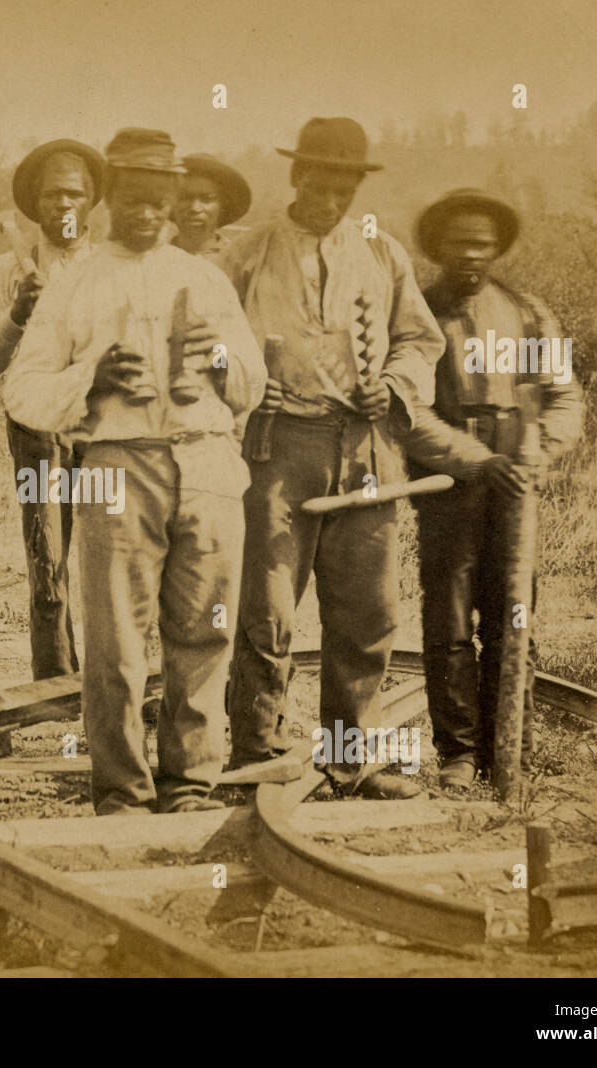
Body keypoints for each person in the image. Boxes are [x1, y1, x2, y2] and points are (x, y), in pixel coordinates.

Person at [4, 128, 265, 815]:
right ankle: (120, 790)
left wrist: (217, 361)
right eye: (133, 200)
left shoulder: (204, 277)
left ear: (174, 202)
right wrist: (90, 379)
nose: (146, 214)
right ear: (109, 198)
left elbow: (252, 387)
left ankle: (190, 784)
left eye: (159, 202)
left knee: (205, 630)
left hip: (208, 463)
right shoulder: (76, 280)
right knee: (117, 641)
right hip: (117, 466)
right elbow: (22, 390)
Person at [219, 117, 443, 799]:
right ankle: (256, 749)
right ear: (295, 176)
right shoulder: (248, 252)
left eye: (343, 186)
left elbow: (418, 341)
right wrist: (249, 377)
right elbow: (211, 341)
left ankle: (351, 762)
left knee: (366, 610)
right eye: (319, 182)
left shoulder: (383, 255)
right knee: (266, 605)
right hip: (277, 445)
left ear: (356, 187)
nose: (330, 197)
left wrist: (395, 388)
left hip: (367, 449)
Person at [413, 188, 584, 790]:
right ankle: (458, 754)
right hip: (449, 482)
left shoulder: (528, 313)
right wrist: (475, 459)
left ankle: (510, 746)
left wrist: (541, 455)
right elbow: (408, 410)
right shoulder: (419, 312)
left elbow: (562, 398)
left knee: (513, 613)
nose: (470, 255)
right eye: (459, 243)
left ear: (496, 251)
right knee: (450, 618)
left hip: (517, 486)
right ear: (438, 247)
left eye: (481, 245)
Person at [0, 138, 105, 681]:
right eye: (53, 196)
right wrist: (18, 314)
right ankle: (53, 688)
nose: (64, 205)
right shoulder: (7, 271)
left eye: (75, 194)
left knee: (112, 563)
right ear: (36, 203)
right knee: (48, 563)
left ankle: (113, 684)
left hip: (105, 434)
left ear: (92, 201)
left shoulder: (115, 267)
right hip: (36, 434)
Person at [171, 153, 251, 259]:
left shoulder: (239, 260)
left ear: (222, 207)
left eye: (206, 199)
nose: (195, 208)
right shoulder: (153, 258)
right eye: (185, 198)